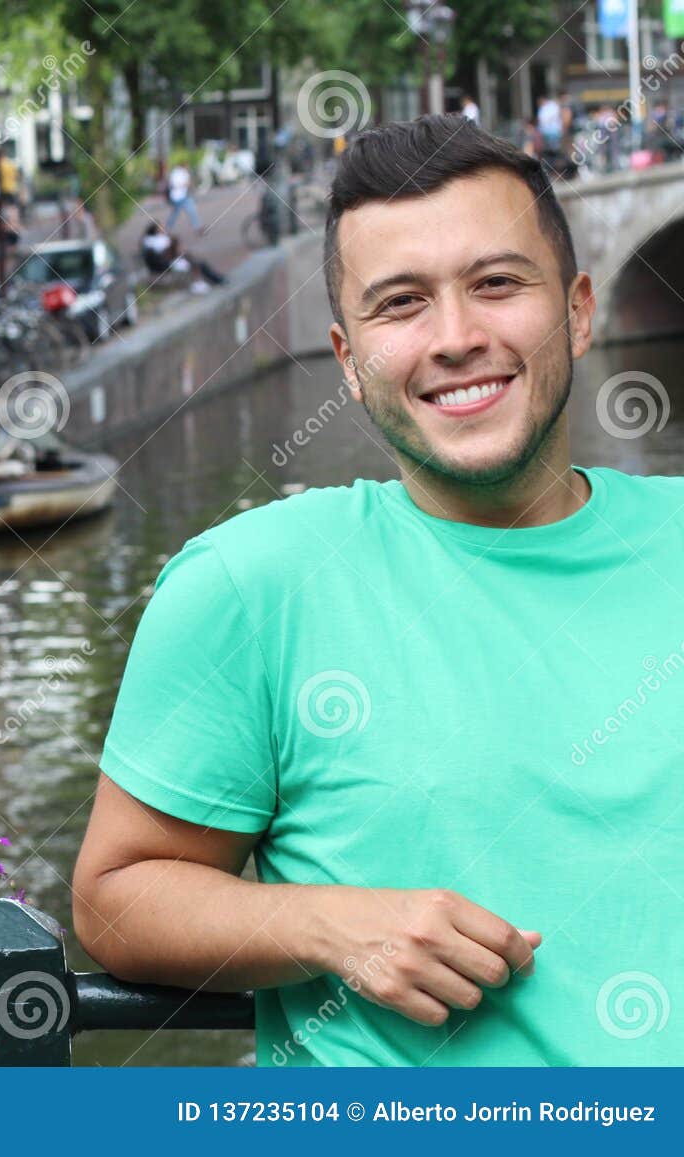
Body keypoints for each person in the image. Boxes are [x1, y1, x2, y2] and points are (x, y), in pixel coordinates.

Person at [75, 115, 684, 1066]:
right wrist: (332, 926)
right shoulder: (251, 584)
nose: (456, 337)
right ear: (349, 360)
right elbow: (115, 900)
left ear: (576, 310)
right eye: (401, 303)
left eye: (496, 283)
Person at [140, 220, 226, 290]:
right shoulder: (151, 241)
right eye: (160, 227)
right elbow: (163, 253)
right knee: (197, 263)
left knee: (198, 262)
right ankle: (210, 281)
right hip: (166, 263)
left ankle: (214, 279)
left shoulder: (158, 238)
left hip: (172, 258)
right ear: (155, 229)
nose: (163, 229)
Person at [164, 160, 204, 235]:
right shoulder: (179, 173)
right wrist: (185, 184)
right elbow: (178, 184)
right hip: (179, 196)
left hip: (180, 197)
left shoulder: (179, 172)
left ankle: (198, 227)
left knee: (186, 212)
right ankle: (198, 228)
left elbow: (186, 183)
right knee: (187, 212)